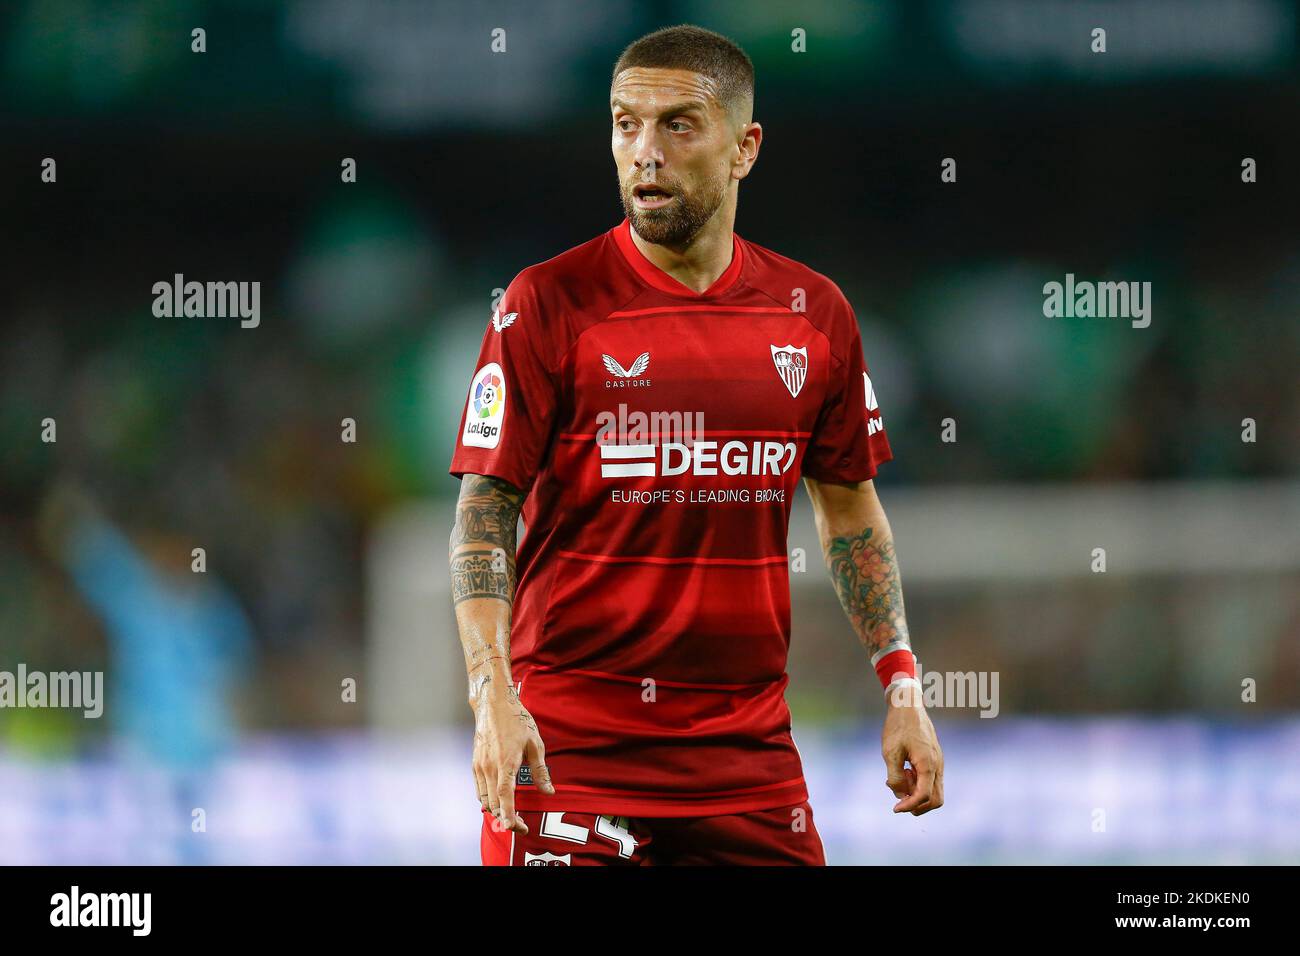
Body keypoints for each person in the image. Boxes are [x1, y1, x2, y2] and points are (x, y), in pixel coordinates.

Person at [449, 24, 942, 865]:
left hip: (746, 768)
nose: (644, 152)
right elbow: (484, 513)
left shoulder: (814, 317)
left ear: (745, 147)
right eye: (624, 124)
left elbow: (852, 513)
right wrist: (491, 690)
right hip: (572, 756)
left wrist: (901, 683)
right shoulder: (546, 305)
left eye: (678, 125)